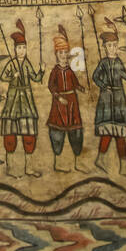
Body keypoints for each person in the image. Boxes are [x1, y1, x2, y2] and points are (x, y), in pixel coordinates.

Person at [0, 20, 43, 177]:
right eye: (19, 48)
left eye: (24, 47)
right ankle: (10, 168)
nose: (21, 50)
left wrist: (41, 72)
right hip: (13, 100)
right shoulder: (11, 63)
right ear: (15, 49)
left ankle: (29, 168)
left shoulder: (26, 63)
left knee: (29, 136)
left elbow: (35, 78)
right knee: (10, 136)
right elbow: (3, 76)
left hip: (26, 102)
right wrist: (13, 75)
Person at [92, 22, 126, 177]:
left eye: (115, 45)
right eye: (109, 45)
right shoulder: (103, 62)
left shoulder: (118, 62)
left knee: (120, 133)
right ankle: (100, 159)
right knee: (108, 131)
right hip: (106, 99)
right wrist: (104, 86)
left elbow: (123, 74)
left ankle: (123, 166)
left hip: (119, 99)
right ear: (105, 47)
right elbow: (95, 77)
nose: (112, 48)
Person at [46, 26, 84, 172]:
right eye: (60, 52)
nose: (63, 55)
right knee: (57, 133)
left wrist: (81, 88)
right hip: (60, 105)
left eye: (65, 52)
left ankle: (77, 162)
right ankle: (59, 163)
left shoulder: (69, 70)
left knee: (76, 132)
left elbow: (75, 83)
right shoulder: (55, 71)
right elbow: (51, 86)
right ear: (56, 54)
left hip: (72, 103)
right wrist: (58, 97)